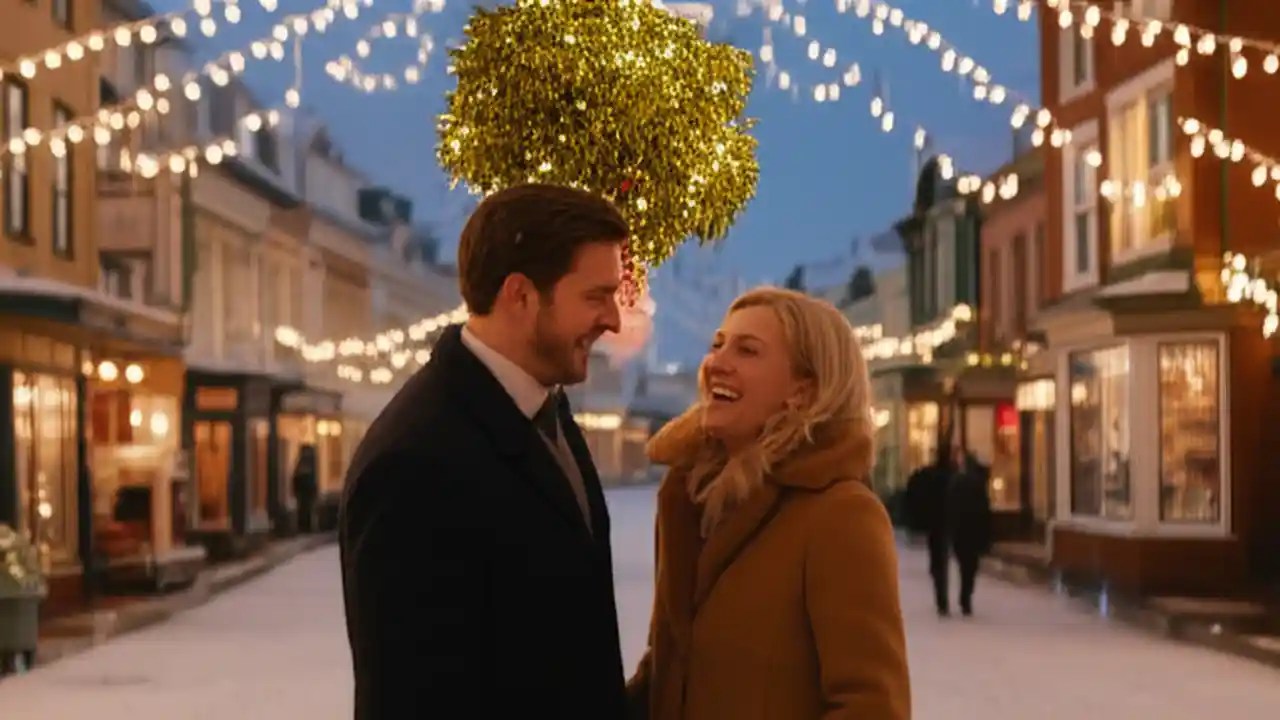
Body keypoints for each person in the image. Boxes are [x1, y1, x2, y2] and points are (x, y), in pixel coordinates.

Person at [339, 184, 630, 719]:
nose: (613, 319)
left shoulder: (547, 407)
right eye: (596, 296)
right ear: (520, 295)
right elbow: (411, 698)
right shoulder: (416, 461)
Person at [627, 287, 911, 720]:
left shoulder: (839, 514)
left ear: (803, 389)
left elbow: (872, 705)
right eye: (718, 345)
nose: (716, 363)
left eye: (747, 351)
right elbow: (667, 670)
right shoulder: (691, 501)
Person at [905, 440, 992, 617]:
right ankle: (952, 601)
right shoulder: (953, 478)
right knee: (952, 565)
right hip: (946, 525)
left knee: (955, 565)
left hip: (954, 526)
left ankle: (954, 600)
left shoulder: (964, 479)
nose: (957, 457)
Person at [292, 445, 318, 534]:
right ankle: (304, 527)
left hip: (305, 494)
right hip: (304, 494)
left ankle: (305, 527)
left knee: (305, 511)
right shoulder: (306, 465)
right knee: (304, 511)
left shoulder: (303, 465)